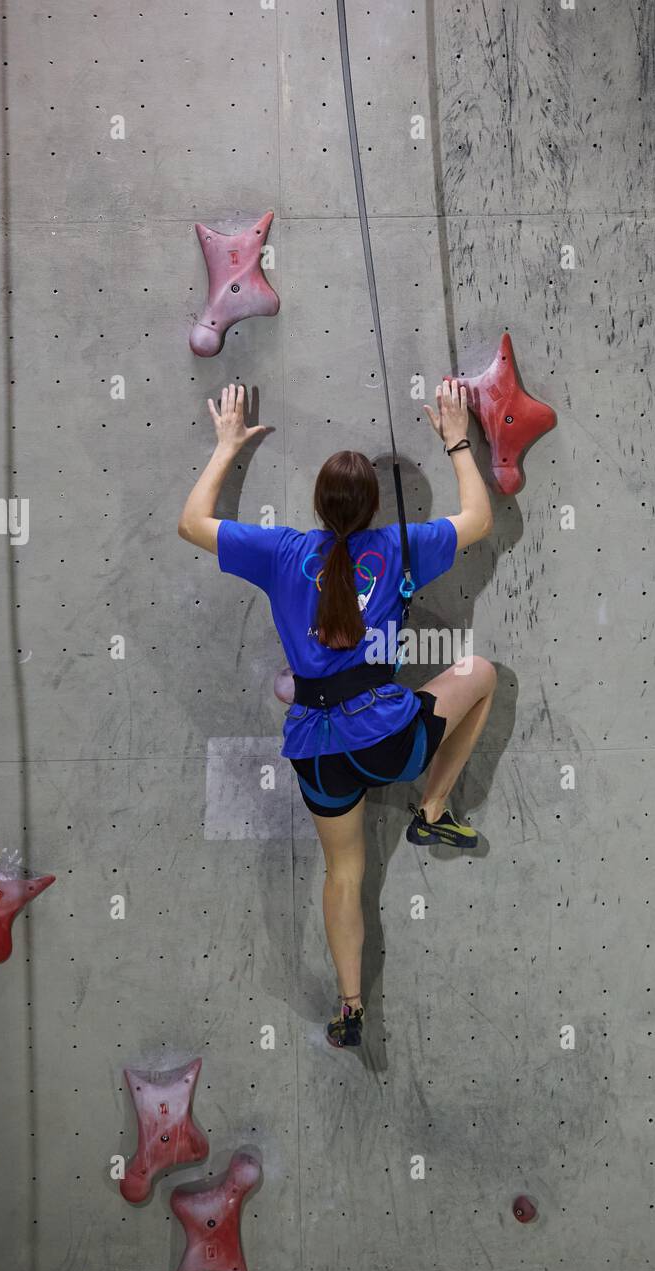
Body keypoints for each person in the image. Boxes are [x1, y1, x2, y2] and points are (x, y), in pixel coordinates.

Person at [178, 381, 496, 1048]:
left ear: (318, 508)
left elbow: (191, 524)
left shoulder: (283, 552)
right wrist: (458, 440)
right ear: (375, 508)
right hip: (390, 739)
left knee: (344, 875)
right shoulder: (400, 547)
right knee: (482, 674)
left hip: (318, 755)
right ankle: (432, 811)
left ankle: (350, 1008)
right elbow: (478, 518)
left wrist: (227, 446)